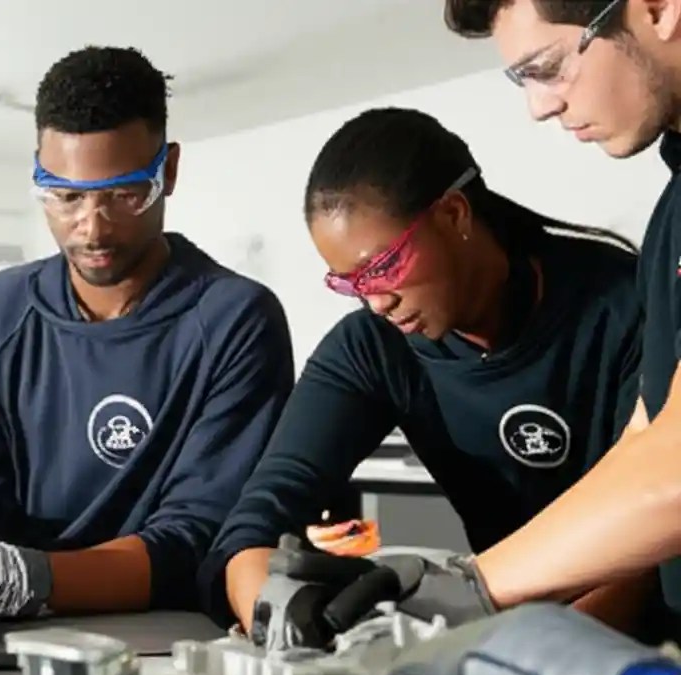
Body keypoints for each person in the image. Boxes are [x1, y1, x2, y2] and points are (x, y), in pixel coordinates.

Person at [0, 45, 295, 648]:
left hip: (165, 643)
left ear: (169, 170)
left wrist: (27, 578)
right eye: (65, 196)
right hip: (7, 639)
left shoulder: (234, 320)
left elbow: (195, 542)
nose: (92, 227)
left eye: (125, 194)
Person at [204, 106, 647, 644]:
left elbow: (648, 545)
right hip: (505, 626)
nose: (376, 301)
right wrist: (276, 618)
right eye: (350, 283)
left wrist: (515, 660)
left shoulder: (627, 306)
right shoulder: (374, 346)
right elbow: (258, 519)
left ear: (454, 214)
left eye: (383, 267)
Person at [313, 0, 681, 639]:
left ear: (657, 7)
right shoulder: (670, 222)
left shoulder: (616, 292)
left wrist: (470, 592)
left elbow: (672, 473)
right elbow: (645, 447)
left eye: (550, 67)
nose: (540, 106)